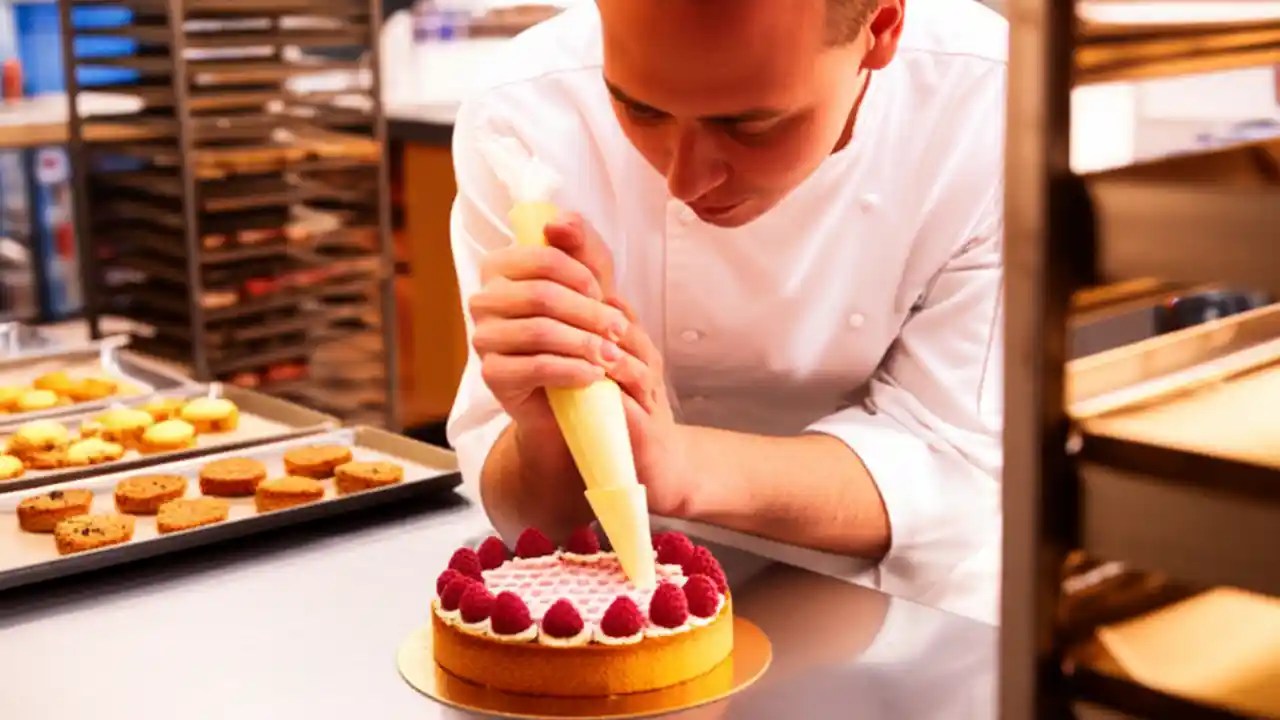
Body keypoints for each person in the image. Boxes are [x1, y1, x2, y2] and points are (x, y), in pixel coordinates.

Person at [446, 0, 1007, 623]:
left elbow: (949, 466)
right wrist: (553, 428)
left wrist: (679, 467)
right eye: (639, 109)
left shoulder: (988, 106)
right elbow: (528, 514)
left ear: (879, 28)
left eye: (750, 125)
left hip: (900, 613)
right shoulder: (524, 117)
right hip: (612, 601)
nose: (684, 183)